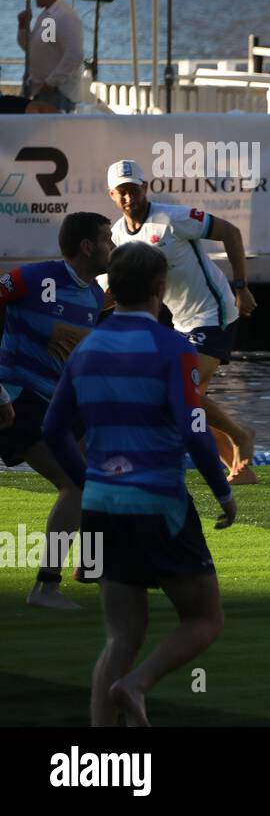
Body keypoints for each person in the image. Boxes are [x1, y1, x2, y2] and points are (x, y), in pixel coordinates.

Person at [42, 243, 236, 727]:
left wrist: (89, 480)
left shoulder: (87, 348)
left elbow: (52, 429)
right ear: (160, 288)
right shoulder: (174, 348)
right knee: (204, 618)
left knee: (120, 637)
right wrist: (224, 491)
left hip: (104, 504)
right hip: (159, 503)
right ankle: (137, 684)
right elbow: (194, 430)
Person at [105, 159, 258, 484]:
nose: (129, 197)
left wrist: (241, 286)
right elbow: (116, 288)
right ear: (112, 196)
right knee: (186, 403)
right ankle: (238, 468)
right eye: (122, 192)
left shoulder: (174, 218)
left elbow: (230, 232)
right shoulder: (118, 234)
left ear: (145, 188)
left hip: (214, 314)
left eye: (134, 189)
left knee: (181, 392)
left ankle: (241, 434)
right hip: (182, 324)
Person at [0, 213, 112, 609]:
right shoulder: (30, 278)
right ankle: (45, 588)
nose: (112, 247)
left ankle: (93, 567)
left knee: (99, 474)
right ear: (87, 247)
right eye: (107, 239)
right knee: (77, 484)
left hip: (58, 405)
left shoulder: (96, 296)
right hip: (18, 399)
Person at [16, 0, 84, 113]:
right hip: (44, 91)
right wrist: (23, 27)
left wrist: (51, 82)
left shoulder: (65, 15)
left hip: (57, 93)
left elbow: (75, 54)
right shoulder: (49, 15)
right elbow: (35, 48)